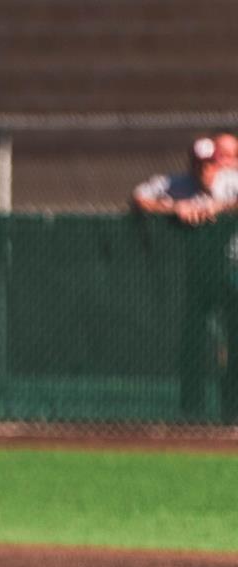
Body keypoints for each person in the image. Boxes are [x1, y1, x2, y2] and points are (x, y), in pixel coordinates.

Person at [135, 135, 238, 418]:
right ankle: (192, 412)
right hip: (197, 277)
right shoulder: (178, 184)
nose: (205, 169)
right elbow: (141, 197)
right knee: (194, 342)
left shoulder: (231, 182)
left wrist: (219, 206)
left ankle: (232, 411)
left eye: (210, 163)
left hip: (232, 273)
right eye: (199, 163)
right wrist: (174, 207)